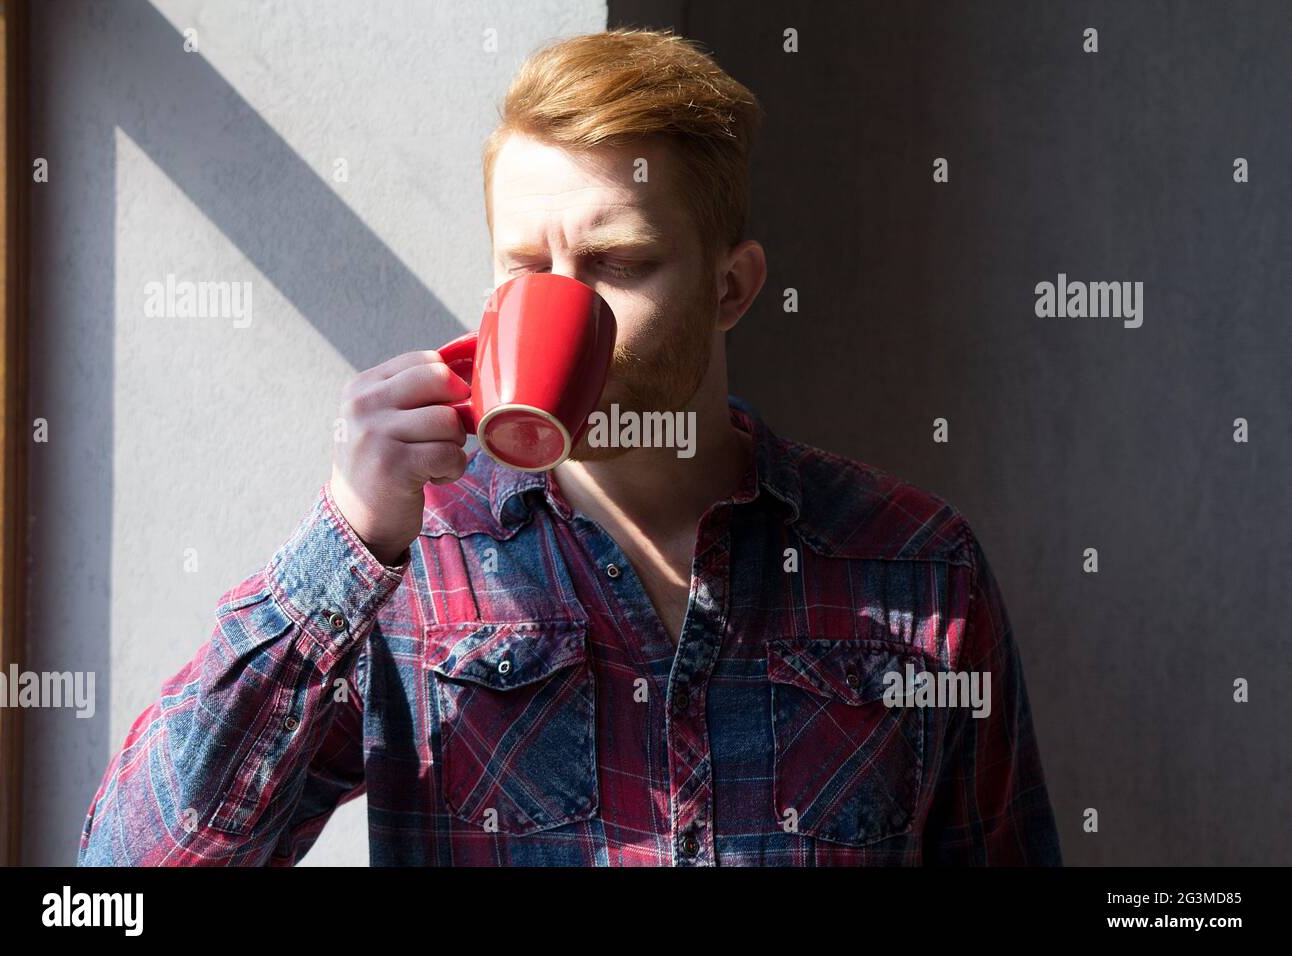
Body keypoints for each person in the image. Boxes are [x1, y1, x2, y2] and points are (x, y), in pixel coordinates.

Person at [78, 27, 1061, 866]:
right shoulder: (412, 563)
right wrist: (346, 538)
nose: (563, 302)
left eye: (615, 264)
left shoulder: (917, 565)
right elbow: (124, 870)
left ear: (731, 288)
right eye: (526, 269)